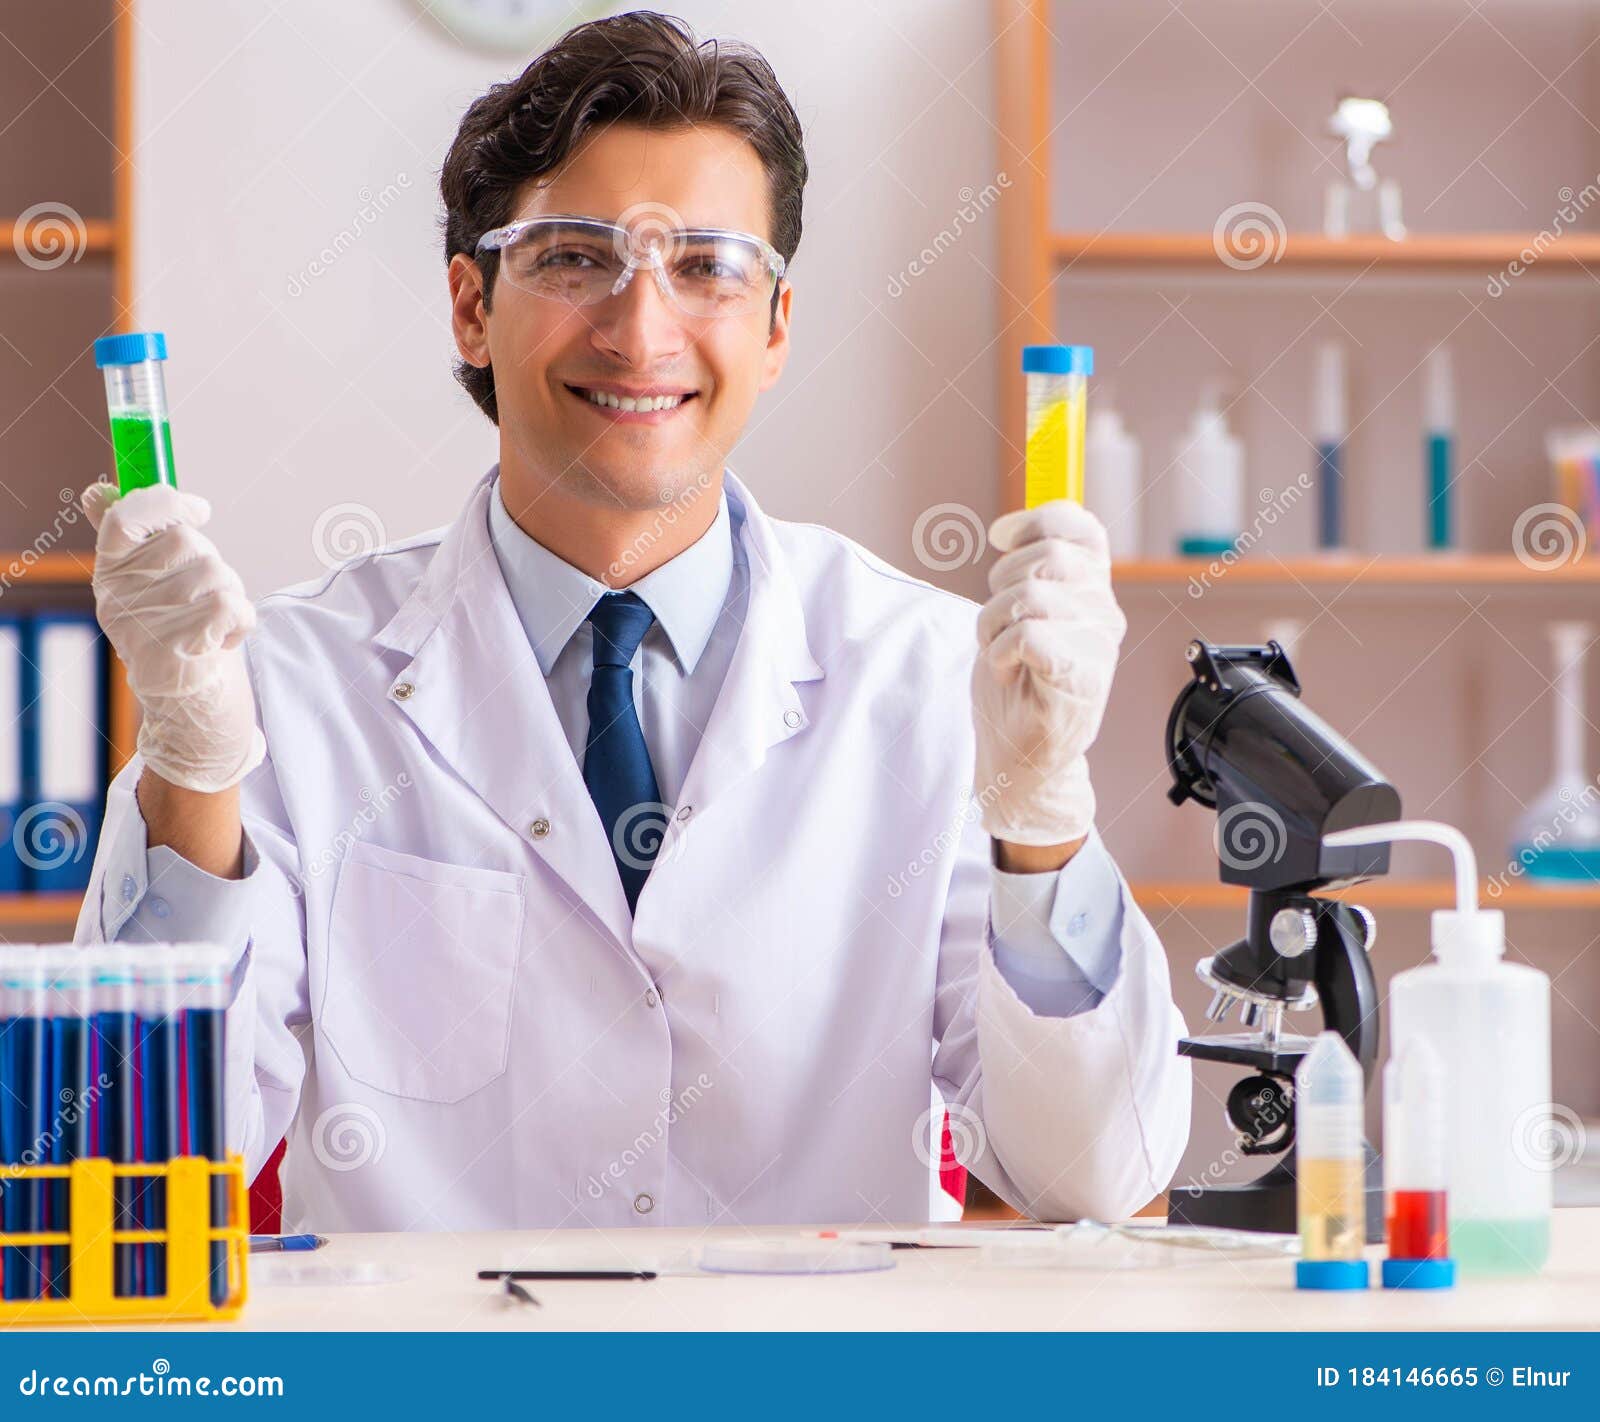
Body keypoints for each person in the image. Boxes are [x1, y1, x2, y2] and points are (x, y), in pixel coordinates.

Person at [76, 12, 1189, 1233]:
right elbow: (129, 1170)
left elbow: (1092, 1175)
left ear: (774, 328)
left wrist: (1042, 823)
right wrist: (188, 770)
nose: (641, 330)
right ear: (469, 307)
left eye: (707, 266)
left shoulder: (924, 673)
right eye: (571, 257)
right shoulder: (289, 684)